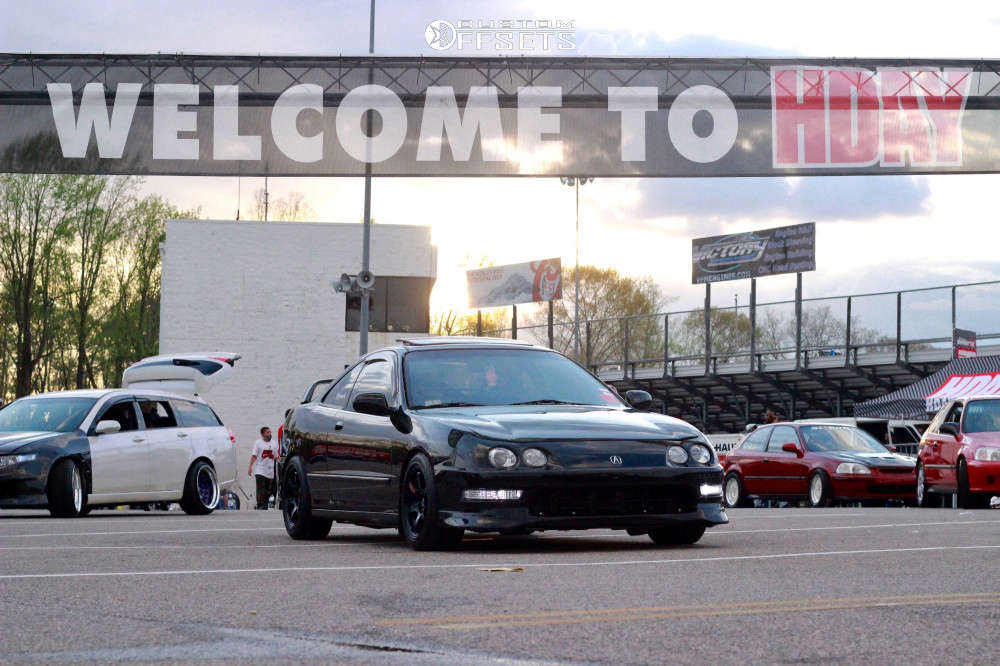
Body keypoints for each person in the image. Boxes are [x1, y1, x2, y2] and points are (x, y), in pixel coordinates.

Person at [248, 426, 278, 510]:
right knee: (260, 487)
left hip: (270, 470)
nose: (269, 434)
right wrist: (250, 467)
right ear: (262, 434)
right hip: (260, 469)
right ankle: (260, 505)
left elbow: (276, 457)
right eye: (267, 432)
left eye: (270, 432)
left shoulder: (274, 443)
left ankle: (265, 504)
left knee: (268, 489)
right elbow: (254, 456)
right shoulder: (258, 443)